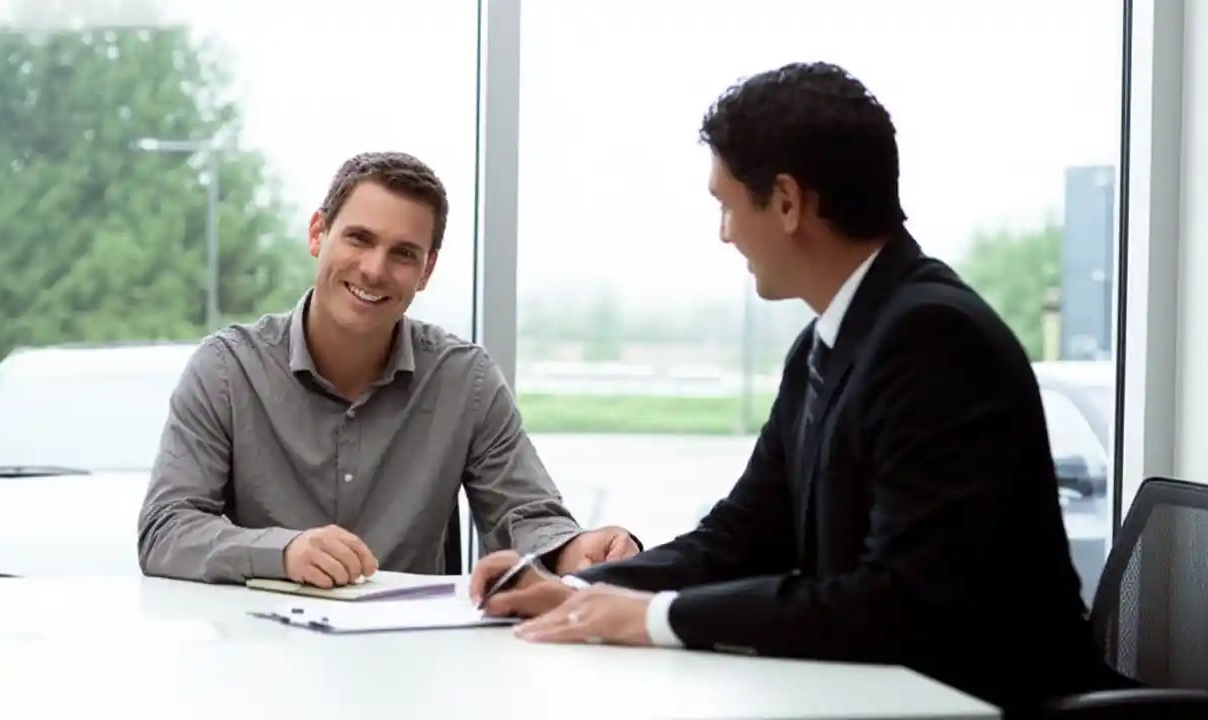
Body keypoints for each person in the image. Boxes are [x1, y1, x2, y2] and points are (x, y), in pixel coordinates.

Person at [469, 62, 1107, 714]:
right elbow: (740, 538)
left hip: (982, 703)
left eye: (726, 204)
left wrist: (651, 617)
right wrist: (570, 587)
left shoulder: (934, 339)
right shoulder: (829, 342)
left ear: (786, 202)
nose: (724, 232)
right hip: (876, 693)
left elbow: (899, 604)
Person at [138, 151, 639, 588]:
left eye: (403, 254)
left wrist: (578, 550)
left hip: (417, 659)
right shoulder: (226, 370)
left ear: (427, 270)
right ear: (318, 233)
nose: (375, 270)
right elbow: (167, 529)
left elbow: (524, 515)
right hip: (258, 655)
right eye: (359, 239)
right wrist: (283, 554)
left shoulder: (466, 381)